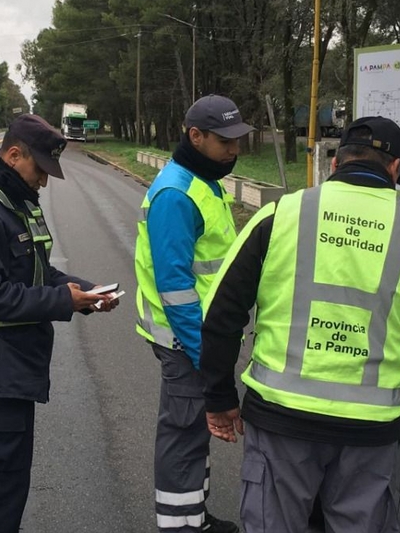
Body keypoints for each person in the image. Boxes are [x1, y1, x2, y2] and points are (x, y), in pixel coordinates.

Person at [200, 116, 400, 533]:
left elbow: (222, 313)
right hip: (370, 430)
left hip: (282, 419)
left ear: (334, 163)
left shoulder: (281, 214)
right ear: (395, 168)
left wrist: (219, 396)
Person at [0, 113, 120, 533]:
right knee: (3, 476)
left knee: (13, 472)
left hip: (18, 360)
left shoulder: (13, 201)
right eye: (40, 170)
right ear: (14, 154)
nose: (44, 181)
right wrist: (62, 301)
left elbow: (39, 274)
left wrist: (86, 294)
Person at [135, 94, 253, 533]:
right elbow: (176, 288)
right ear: (195, 137)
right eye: (225, 142)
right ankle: (181, 526)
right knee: (183, 435)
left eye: (238, 141)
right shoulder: (176, 193)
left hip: (200, 336)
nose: (234, 151)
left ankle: (193, 516)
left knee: (194, 431)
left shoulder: (203, 182)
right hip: (187, 340)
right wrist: (207, 354)